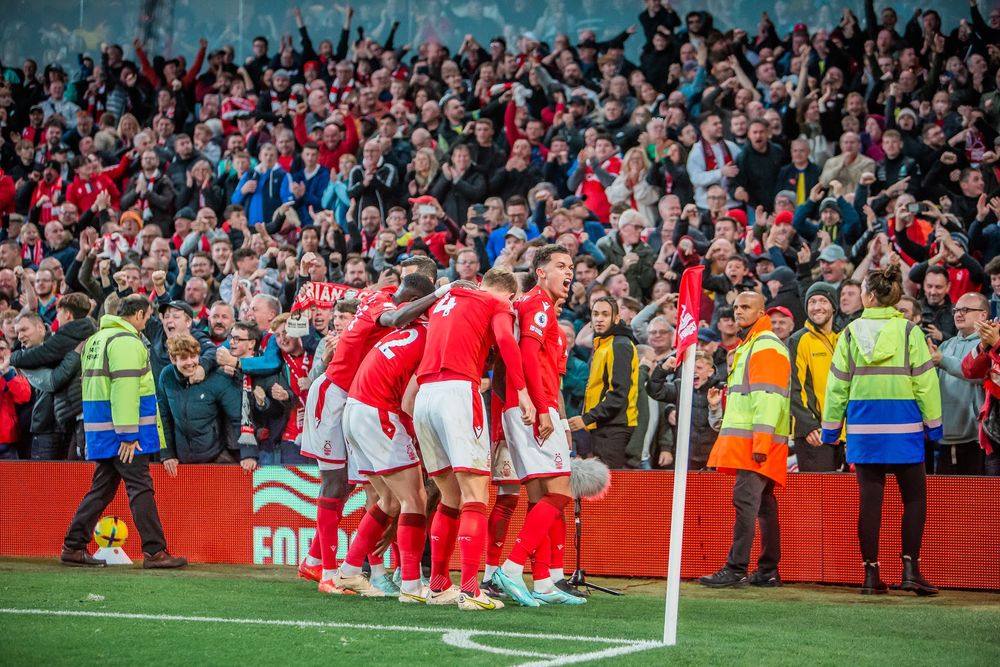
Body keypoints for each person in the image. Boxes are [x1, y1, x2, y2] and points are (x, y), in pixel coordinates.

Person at [298, 265, 445, 594]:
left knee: (377, 492)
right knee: (336, 484)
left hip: (361, 398)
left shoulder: (387, 303)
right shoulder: (386, 304)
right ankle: (326, 569)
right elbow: (392, 318)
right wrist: (439, 295)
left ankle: (363, 570)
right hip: (337, 393)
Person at [413, 268, 534, 611]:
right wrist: (522, 392)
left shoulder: (445, 301)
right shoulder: (496, 304)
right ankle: (470, 590)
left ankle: (438, 585)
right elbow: (507, 341)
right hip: (458, 392)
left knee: (449, 496)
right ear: (509, 295)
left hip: (426, 396)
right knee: (475, 493)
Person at [822, 264, 941, 596]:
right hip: (904, 425)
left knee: (869, 502)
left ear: (869, 296)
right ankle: (911, 570)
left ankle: (871, 575)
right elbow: (925, 383)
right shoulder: (909, 332)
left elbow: (836, 388)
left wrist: (831, 431)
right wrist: (934, 426)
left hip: (864, 427)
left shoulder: (849, 333)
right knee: (915, 499)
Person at [61, 294, 187, 569]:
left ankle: (73, 546)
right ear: (140, 314)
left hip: (101, 428)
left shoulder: (96, 339)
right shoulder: (126, 342)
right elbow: (125, 388)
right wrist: (129, 435)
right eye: (149, 315)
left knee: (102, 489)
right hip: (124, 433)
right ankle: (155, 552)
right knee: (140, 487)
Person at [490, 245, 583, 607]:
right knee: (561, 492)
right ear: (540, 272)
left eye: (571, 267)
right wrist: (545, 409)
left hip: (521, 407)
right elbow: (527, 355)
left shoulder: (533, 306)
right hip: (531, 408)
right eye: (561, 266)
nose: (569, 273)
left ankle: (543, 581)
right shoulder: (538, 303)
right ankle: (511, 569)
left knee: (541, 497)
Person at [336, 301, 434, 601]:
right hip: (378, 411)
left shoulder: (404, 331)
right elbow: (408, 401)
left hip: (354, 408)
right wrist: (418, 441)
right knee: (415, 498)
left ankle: (350, 569)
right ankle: (412, 583)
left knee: (390, 500)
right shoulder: (432, 337)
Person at [701, 291, 790, 588]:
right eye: (736, 307)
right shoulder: (753, 345)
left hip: (756, 444)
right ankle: (766, 570)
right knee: (763, 505)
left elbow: (768, 398)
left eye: (746, 307)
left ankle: (736, 567)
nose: (738, 312)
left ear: (761, 311)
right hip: (754, 442)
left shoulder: (764, 346)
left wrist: (761, 444)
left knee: (748, 502)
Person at [569, 296, 639, 469]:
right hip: (604, 426)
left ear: (616, 318)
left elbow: (618, 394)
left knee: (609, 488)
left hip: (614, 428)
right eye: (596, 314)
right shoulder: (603, 343)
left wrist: (586, 418)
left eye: (605, 314)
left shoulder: (619, 344)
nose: (599, 319)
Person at [158, 334, 242, 470]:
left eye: (194, 356)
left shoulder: (216, 378)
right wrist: (167, 453)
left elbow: (237, 416)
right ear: (173, 359)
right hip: (181, 460)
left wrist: (246, 453)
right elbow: (162, 418)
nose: (190, 362)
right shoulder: (166, 376)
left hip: (216, 457)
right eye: (184, 358)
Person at [787, 282, 843, 472]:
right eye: (811, 302)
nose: (817, 307)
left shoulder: (845, 338)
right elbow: (794, 386)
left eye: (823, 301)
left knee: (842, 497)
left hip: (844, 434)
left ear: (833, 306)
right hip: (814, 433)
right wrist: (808, 426)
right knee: (815, 498)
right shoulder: (798, 339)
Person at [931, 292, 987, 475]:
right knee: (943, 500)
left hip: (976, 440)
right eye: (956, 310)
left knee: (976, 499)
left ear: (983, 315)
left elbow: (979, 375)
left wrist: (943, 361)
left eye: (966, 309)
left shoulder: (988, 345)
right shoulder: (945, 346)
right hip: (944, 437)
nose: (958, 314)